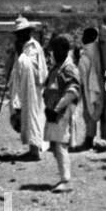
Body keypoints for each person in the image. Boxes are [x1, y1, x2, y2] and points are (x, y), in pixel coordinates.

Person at [41, 34, 82, 192]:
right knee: (56, 144)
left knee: (60, 144)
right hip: (53, 111)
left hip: (62, 112)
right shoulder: (57, 67)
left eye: (56, 49)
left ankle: (65, 179)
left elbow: (72, 91)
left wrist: (56, 108)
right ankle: (63, 176)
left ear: (64, 50)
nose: (53, 52)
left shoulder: (69, 68)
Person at [9, 16, 46, 161]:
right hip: (25, 88)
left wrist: (21, 56)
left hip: (33, 88)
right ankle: (32, 148)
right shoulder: (23, 47)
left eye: (22, 33)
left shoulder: (33, 47)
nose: (20, 36)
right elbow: (17, 67)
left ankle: (35, 150)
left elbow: (32, 67)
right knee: (26, 117)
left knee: (33, 116)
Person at [73, 27, 106, 152]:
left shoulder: (90, 51)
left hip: (92, 85)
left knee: (89, 113)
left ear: (89, 37)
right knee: (90, 112)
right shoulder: (98, 49)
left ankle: (89, 139)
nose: (82, 38)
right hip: (99, 85)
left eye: (84, 35)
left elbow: (83, 70)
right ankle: (91, 138)